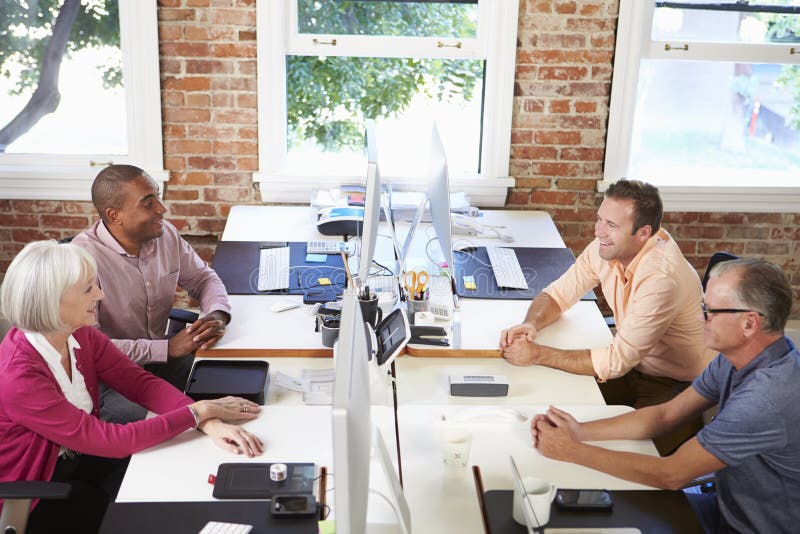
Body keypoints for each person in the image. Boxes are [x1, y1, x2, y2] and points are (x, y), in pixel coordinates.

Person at [0, 240, 264, 533]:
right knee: (141, 515)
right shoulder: (20, 377)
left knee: (168, 476)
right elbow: (112, 440)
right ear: (53, 301)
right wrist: (197, 412)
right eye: (89, 288)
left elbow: (142, 385)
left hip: (79, 460)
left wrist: (209, 422)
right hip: (37, 490)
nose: (99, 294)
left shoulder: (80, 335)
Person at [531, 259, 799, 533]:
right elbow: (665, 415)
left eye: (710, 311)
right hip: (723, 506)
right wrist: (578, 431)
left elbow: (672, 474)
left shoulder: (767, 398)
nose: (699, 318)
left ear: (749, 323)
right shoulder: (736, 358)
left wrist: (573, 451)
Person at [499, 179, 713, 453]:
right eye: (600, 219)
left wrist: (537, 353)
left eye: (611, 225)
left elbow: (616, 362)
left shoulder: (661, 279)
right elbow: (558, 294)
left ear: (643, 233)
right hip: (636, 368)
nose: (599, 231)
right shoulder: (610, 246)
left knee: (623, 457)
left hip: (678, 387)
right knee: (550, 404)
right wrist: (531, 324)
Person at [72, 164, 232, 424]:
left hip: (157, 363)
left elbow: (203, 278)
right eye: (148, 203)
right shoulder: (82, 261)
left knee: (228, 380)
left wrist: (216, 314)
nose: (161, 208)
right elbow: (91, 349)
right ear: (115, 215)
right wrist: (166, 348)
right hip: (105, 381)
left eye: (157, 196)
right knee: (176, 425)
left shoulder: (165, 234)